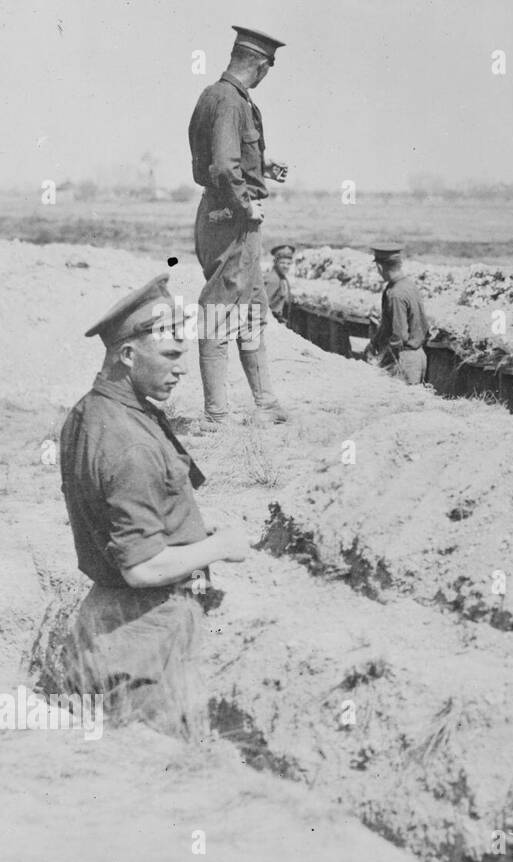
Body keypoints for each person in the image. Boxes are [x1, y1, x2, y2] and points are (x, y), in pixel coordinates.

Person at [55, 274, 250, 739]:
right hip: (144, 639)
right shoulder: (127, 441)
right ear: (127, 355)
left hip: (108, 627)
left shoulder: (95, 411)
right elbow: (142, 569)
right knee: (161, 768)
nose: (182, 369)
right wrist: (220, 546)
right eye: (170, 356)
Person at [188, 25, 290, 426]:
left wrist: (262, 165)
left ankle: (265, 404)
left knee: (251, 309)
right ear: (261, 65)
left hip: (225, 216)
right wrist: (248, 205)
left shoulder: (214, 96)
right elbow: (226, 167)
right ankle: (217, 414)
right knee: (219, 309)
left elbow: (220, 154)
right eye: (269, 68)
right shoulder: (231, 102)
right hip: (231, 219)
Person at [365, 243, 429, 384]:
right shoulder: (409, 285)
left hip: (404, 359)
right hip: (418, 355)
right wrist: (374, 342)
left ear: (380, 267)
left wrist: (380, 359)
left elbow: (399, 336)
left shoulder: (395, 294)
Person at [264, 243, 295, 324]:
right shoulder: (273, 280)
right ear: (275, 262)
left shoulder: (280, 277)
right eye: (282, 263)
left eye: (288, 263)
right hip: (270, 322)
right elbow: (263, 305)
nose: (285, 266)